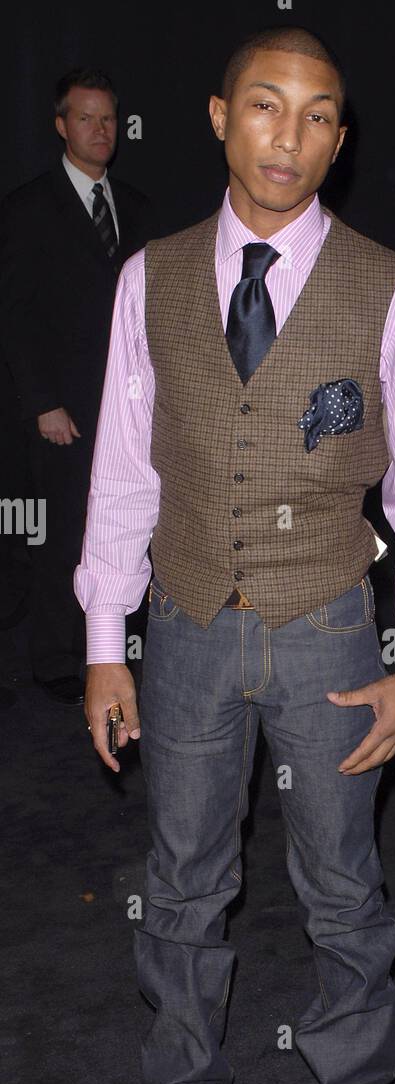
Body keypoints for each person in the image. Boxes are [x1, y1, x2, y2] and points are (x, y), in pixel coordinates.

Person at [76, 25, 395, 1084]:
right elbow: (122, 478)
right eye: (265, 106)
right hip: (190, 626)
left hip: (330, 633)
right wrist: (107, 644)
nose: (287, 137)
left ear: (339, 140)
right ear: (217, 117)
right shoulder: (145, 276)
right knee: (184, 879)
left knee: (344, 885)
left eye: (315, 116)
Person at [0, 69, 152, 703]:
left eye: (109, 120)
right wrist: (42, 402)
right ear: (62, 125)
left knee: (128, 524)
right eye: (86, 119)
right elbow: (12, 311)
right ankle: (61, 657)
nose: (100, 131)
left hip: (132, 404)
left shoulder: (139, 207)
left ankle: (117, 649)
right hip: (64, 408)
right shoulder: (27, 208)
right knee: (67, 529)